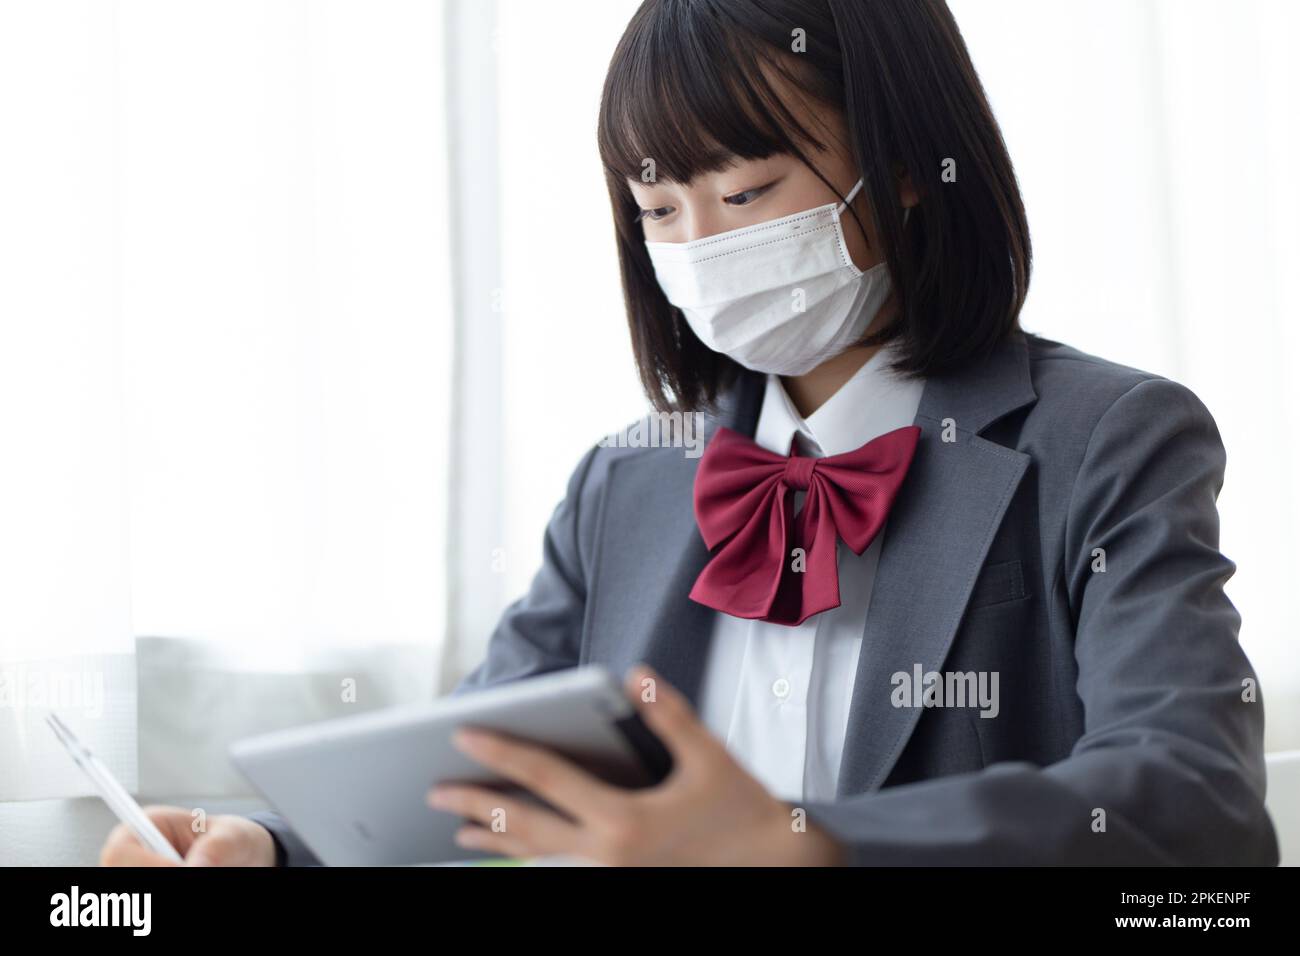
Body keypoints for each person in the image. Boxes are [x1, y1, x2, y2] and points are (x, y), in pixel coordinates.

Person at [101, 0, 1277, 867]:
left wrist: (802, 845)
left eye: (749, 193)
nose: (702, 245)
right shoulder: (629, 480)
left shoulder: (1108, 437)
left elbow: (1194, 800)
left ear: (910, 168)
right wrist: (262, 845)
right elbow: (475, 780)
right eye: (661, 209)